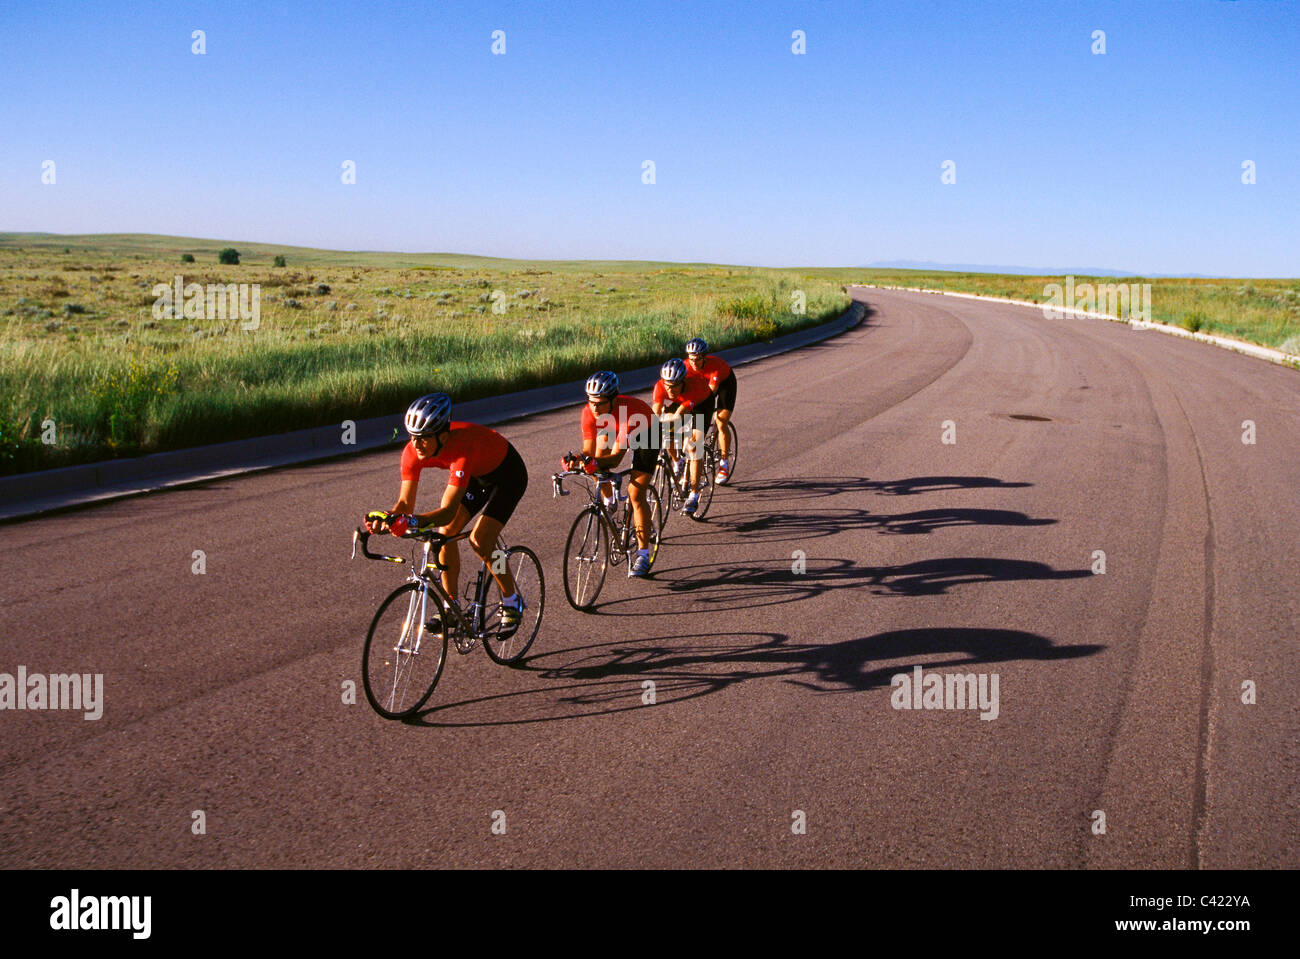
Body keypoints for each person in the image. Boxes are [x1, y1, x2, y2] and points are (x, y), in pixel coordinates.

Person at [364, 392, 527, 636]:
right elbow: (405, 504)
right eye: (412, 437)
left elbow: (448, 511)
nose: (416, 445)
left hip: (508, 476)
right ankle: (452, 607)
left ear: (442, 435)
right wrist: (388, 518)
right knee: (446, 535)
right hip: (477, 475)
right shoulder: (412, 452)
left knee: (482, 541)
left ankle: (511, 599)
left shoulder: (461, 450)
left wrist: (414, 521)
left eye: (424, 438)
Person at [561, 371, 660, 576]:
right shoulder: (589, 412)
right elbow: (588, 452)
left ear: (613, 399)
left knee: (636, 492)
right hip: (612, 426)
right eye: (591, 402)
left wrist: (593, 464)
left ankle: (642, 555)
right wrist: (576, 460)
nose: (594, 408)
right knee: (595, 461)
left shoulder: (628, 413)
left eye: (600, 403)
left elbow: (615, 459)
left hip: (646, 431)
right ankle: (610, 501)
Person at [651, 357, 712, 516]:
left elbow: (678, 417)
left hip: (702, 404)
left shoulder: (693, 386)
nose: (670, 390)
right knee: (666, 433)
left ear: (683, 381)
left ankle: (694, 492)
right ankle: (678, 461)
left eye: (674, 386)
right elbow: (656, 413)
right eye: (667, 385)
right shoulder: (660, 386)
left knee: (693, 447)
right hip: (681, 402)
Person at [683, 337, 737, 483]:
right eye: (691, 359)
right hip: (702, 386)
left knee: (720, 422)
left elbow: (709, 394)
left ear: (704, 357)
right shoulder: (685, 367)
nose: (694, 363)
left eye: (698, 359)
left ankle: (724, 463)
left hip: (725, 384)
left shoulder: (715, 367)